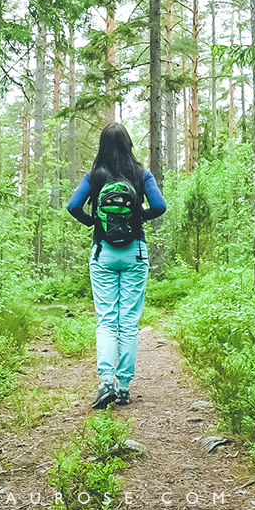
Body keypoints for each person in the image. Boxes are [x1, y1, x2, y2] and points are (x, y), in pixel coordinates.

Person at [67, 122, 166, 409]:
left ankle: (105, 382)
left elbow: (74, 206)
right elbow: (159, 206)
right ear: (128, 144)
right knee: (129, 323)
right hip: (135, 252)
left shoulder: (95, 176)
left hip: (103, 252)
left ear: (102, 146)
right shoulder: (140, 174)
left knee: (107, 320)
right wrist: (139, 218)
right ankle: (123, 388)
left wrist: (94, 222)